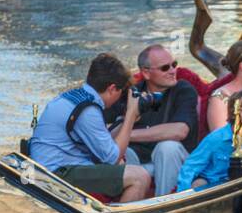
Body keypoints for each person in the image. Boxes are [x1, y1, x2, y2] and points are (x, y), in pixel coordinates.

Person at [28, 53, 152, 203]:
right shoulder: (88, 111)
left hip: (46, 168)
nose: (121, 97)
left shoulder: (73, 97)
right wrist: (131, 115)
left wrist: (125, 119)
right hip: (55, 174)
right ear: (112, 89)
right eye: (121, 91)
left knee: (124, 167)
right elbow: (112, 157)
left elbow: (105, 145)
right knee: (140, 177)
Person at [108, 42, 198, 195]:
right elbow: (105, 128)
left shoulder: (183, 90)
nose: (173, 71)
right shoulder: (131, 93)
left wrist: (127, 135)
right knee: (122, 151)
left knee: (167, 147)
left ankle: (167, 210)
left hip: (178, 161)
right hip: (140, 162)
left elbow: (179, 131)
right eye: (165, 67)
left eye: (174, 65)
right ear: (146, 73)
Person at [177, 90, 242, 192]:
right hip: (212, 183)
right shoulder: (216, 138)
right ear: (233, 113)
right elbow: (191, 166)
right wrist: (183, 194)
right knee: (198, 183)